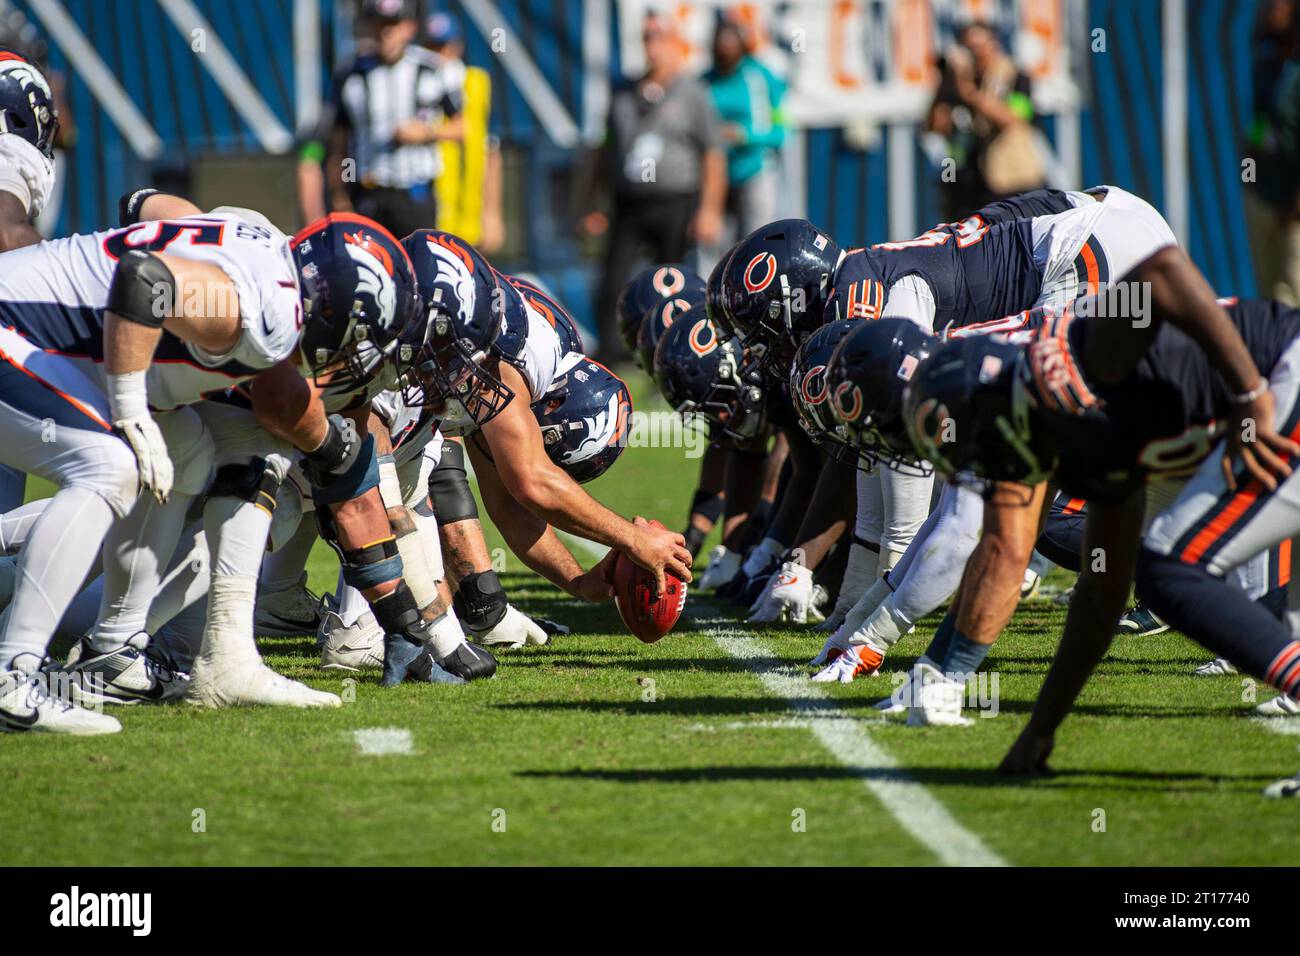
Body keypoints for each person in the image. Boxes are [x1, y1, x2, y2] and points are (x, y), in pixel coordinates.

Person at [582, 10, 726, 363]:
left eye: (659, 36)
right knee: (612, 282)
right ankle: (611, 359)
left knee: (674, 284)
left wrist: (709, 210)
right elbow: (605, 150)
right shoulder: (624, 93)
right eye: (647, 37)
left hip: (675, 200)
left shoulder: (692, 94)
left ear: (676, 43)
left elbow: (713, 154)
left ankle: (677, 354)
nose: (652, 45)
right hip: (629, 202)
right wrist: (594, 204)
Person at [323, 0, 464, 238]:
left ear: (409, 27)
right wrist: (339, 194)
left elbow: (464, 128)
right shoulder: (351, 73)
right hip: (368, 192)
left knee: (417, 269)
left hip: (415, 193)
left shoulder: (432, 69)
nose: (386, 32)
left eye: (393, 24)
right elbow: (339, 139)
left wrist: (426, 132)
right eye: (379, 25)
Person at [925, 21, 1044, 220]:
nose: (974, 54)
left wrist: (971, 94)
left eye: (978, 47)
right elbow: (935, 126)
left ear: (993, 44)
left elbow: (1014, 118)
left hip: (1010, 182)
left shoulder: (1014, 76)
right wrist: (945, 84)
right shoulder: (959, 81)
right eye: (968, 48)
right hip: (965, 184)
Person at [703, 16, 785, 259]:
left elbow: (780, 130)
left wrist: (743, 134)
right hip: (717, 176)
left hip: (756, 170)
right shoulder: (704, 83)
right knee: (717, 248)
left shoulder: (760, 78)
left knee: (757, 245)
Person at [425, 12, 505, 254]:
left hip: (469, 222)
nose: (440, 55)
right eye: (433, 47)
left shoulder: (476, 85)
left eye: (444, 47)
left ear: (457, 46)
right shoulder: (418, 84)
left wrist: (491, 213)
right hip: (428, 218)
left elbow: (491, 152)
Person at [1243, 0, 1300, 306]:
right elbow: (1259, 125)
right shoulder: (1265, 63)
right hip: (1263, 194)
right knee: (1270, 298)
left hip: (1293, 207)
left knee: (1293, 290)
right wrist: (1249, 177)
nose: (1273, 7)